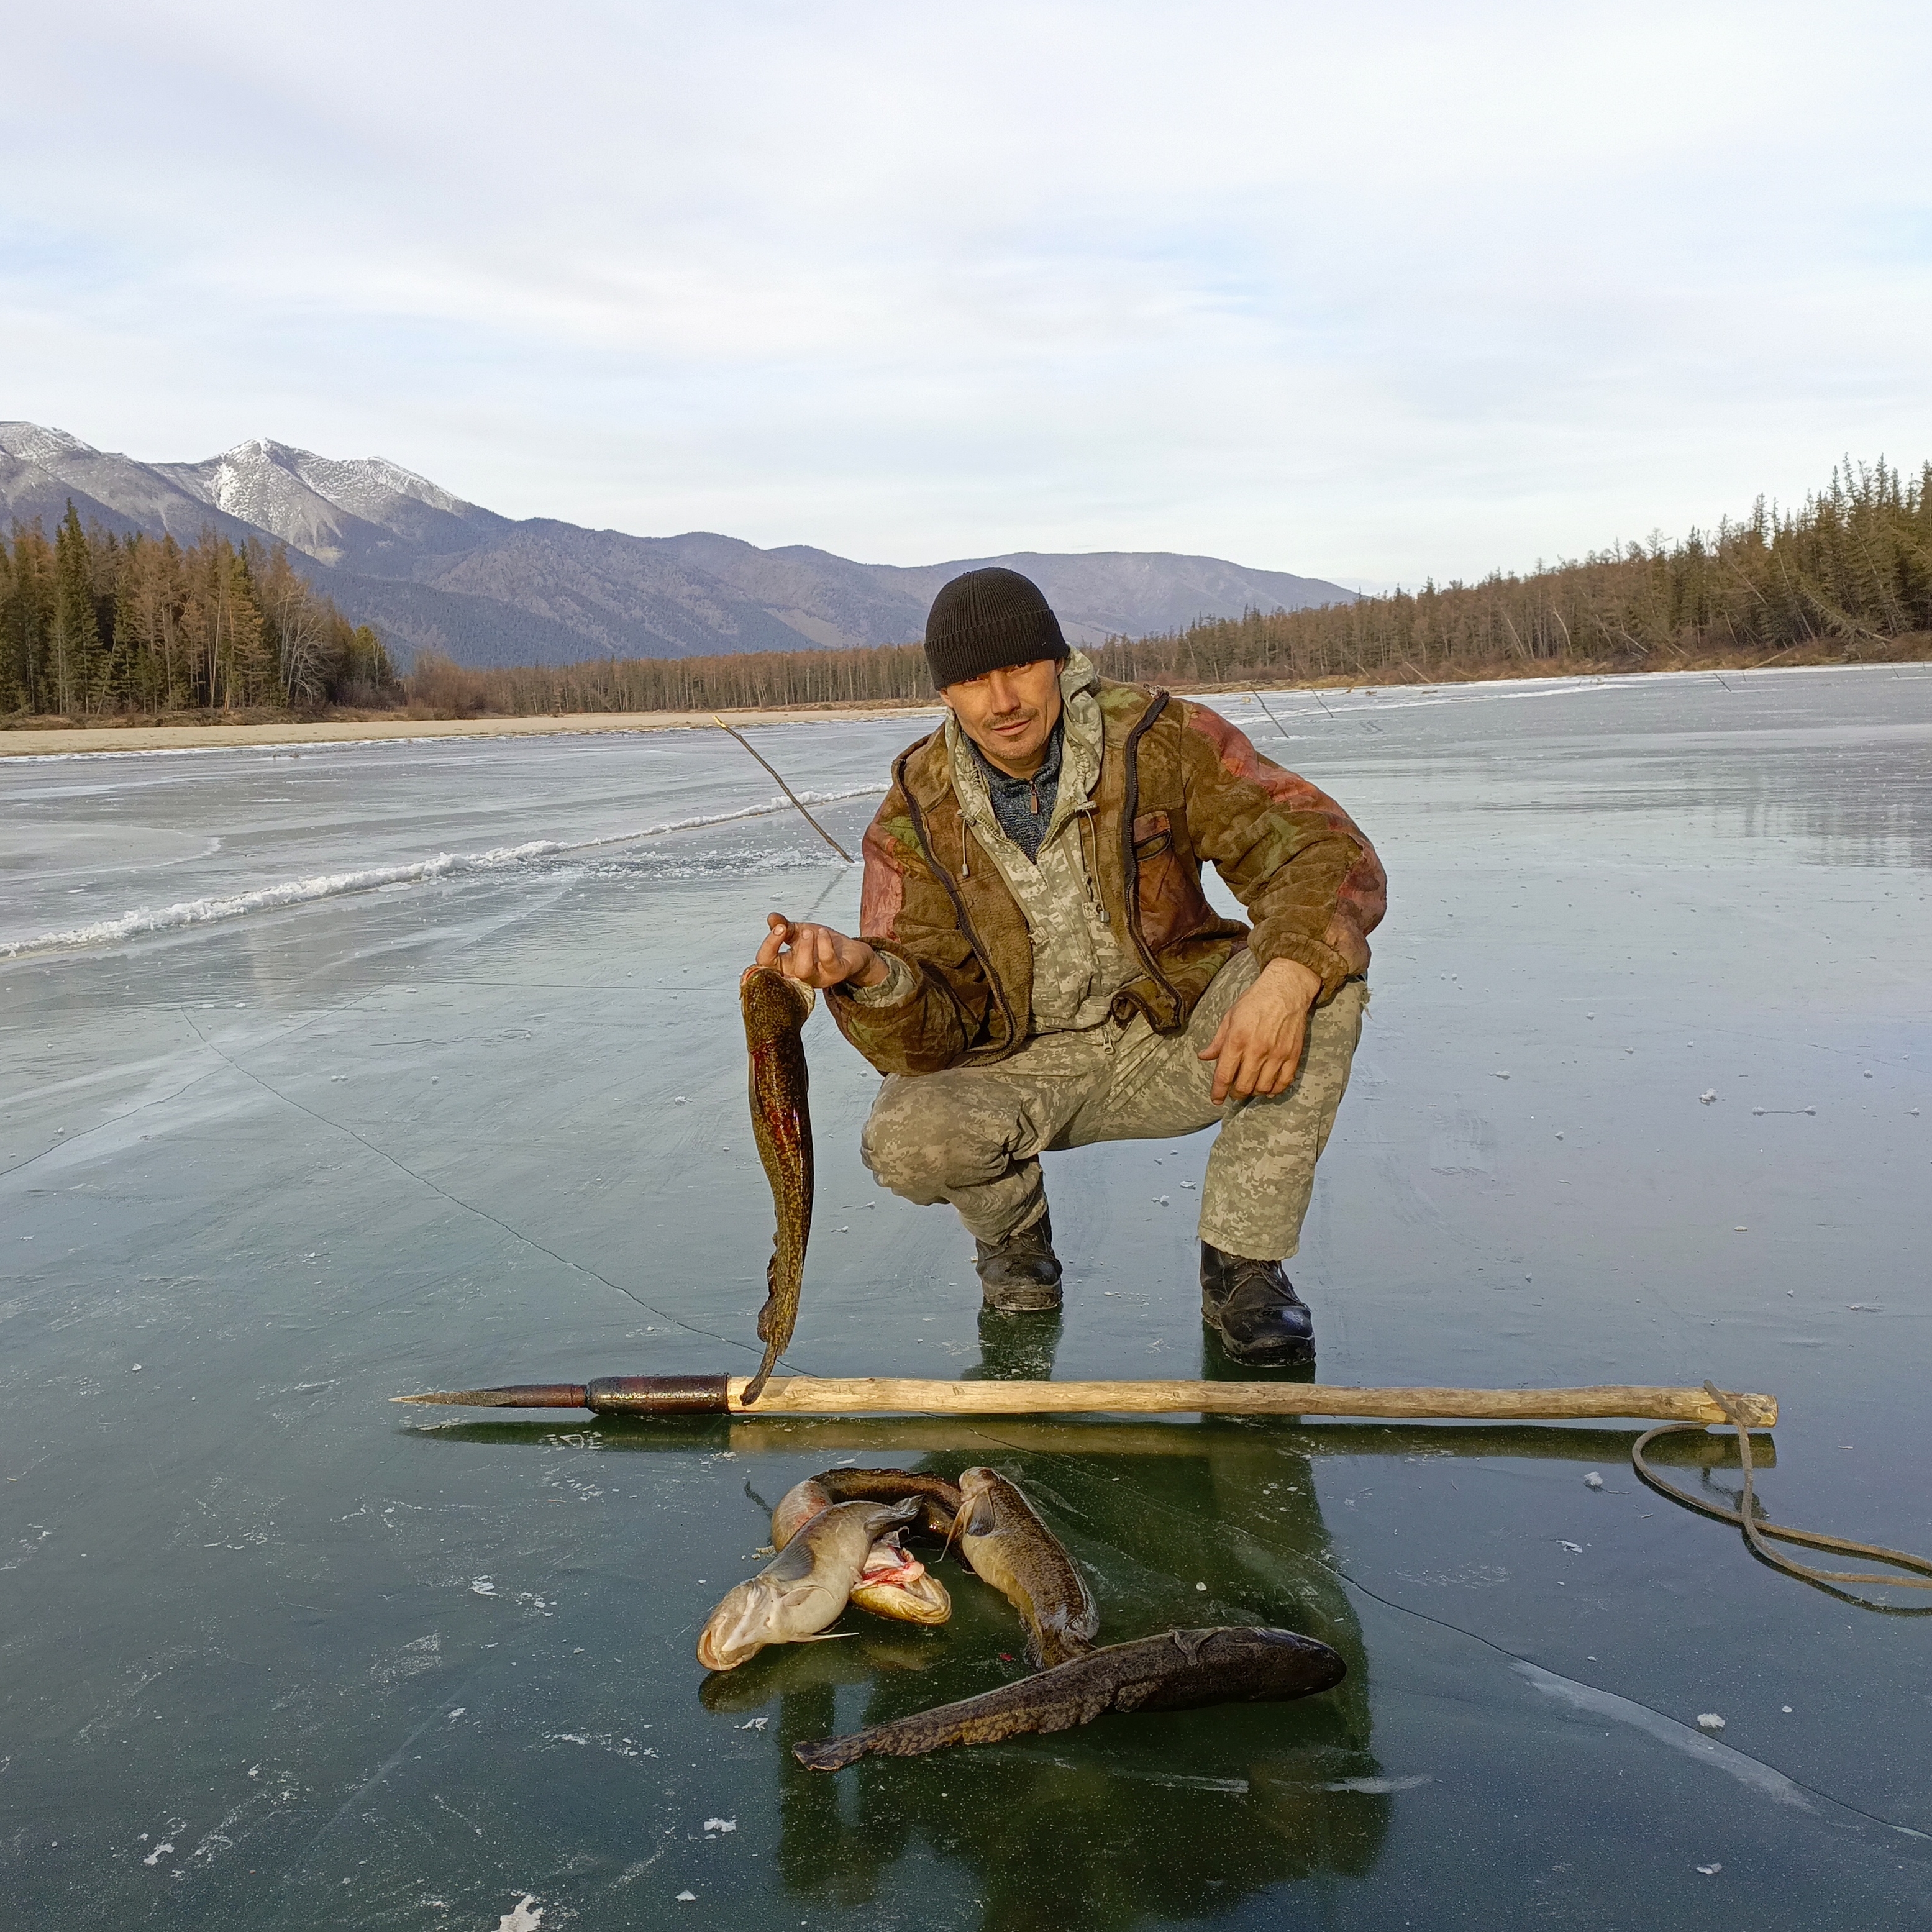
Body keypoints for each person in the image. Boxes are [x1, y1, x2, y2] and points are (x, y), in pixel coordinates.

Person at [754, 567, 1385, 1364]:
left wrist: (1286, 980)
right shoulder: (915, 811)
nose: (1001, 699)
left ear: (1057, 659)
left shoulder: (1161, 738)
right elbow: (926, 1039)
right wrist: (863, 970)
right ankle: (1015, 1244)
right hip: (1021, 1064)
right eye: (972, 680)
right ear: (945, 692)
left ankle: (1242, 1266)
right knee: (911, 1136)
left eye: (1018, 667)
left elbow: (1321, 852)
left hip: (1179, 1036)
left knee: (1322, 980)